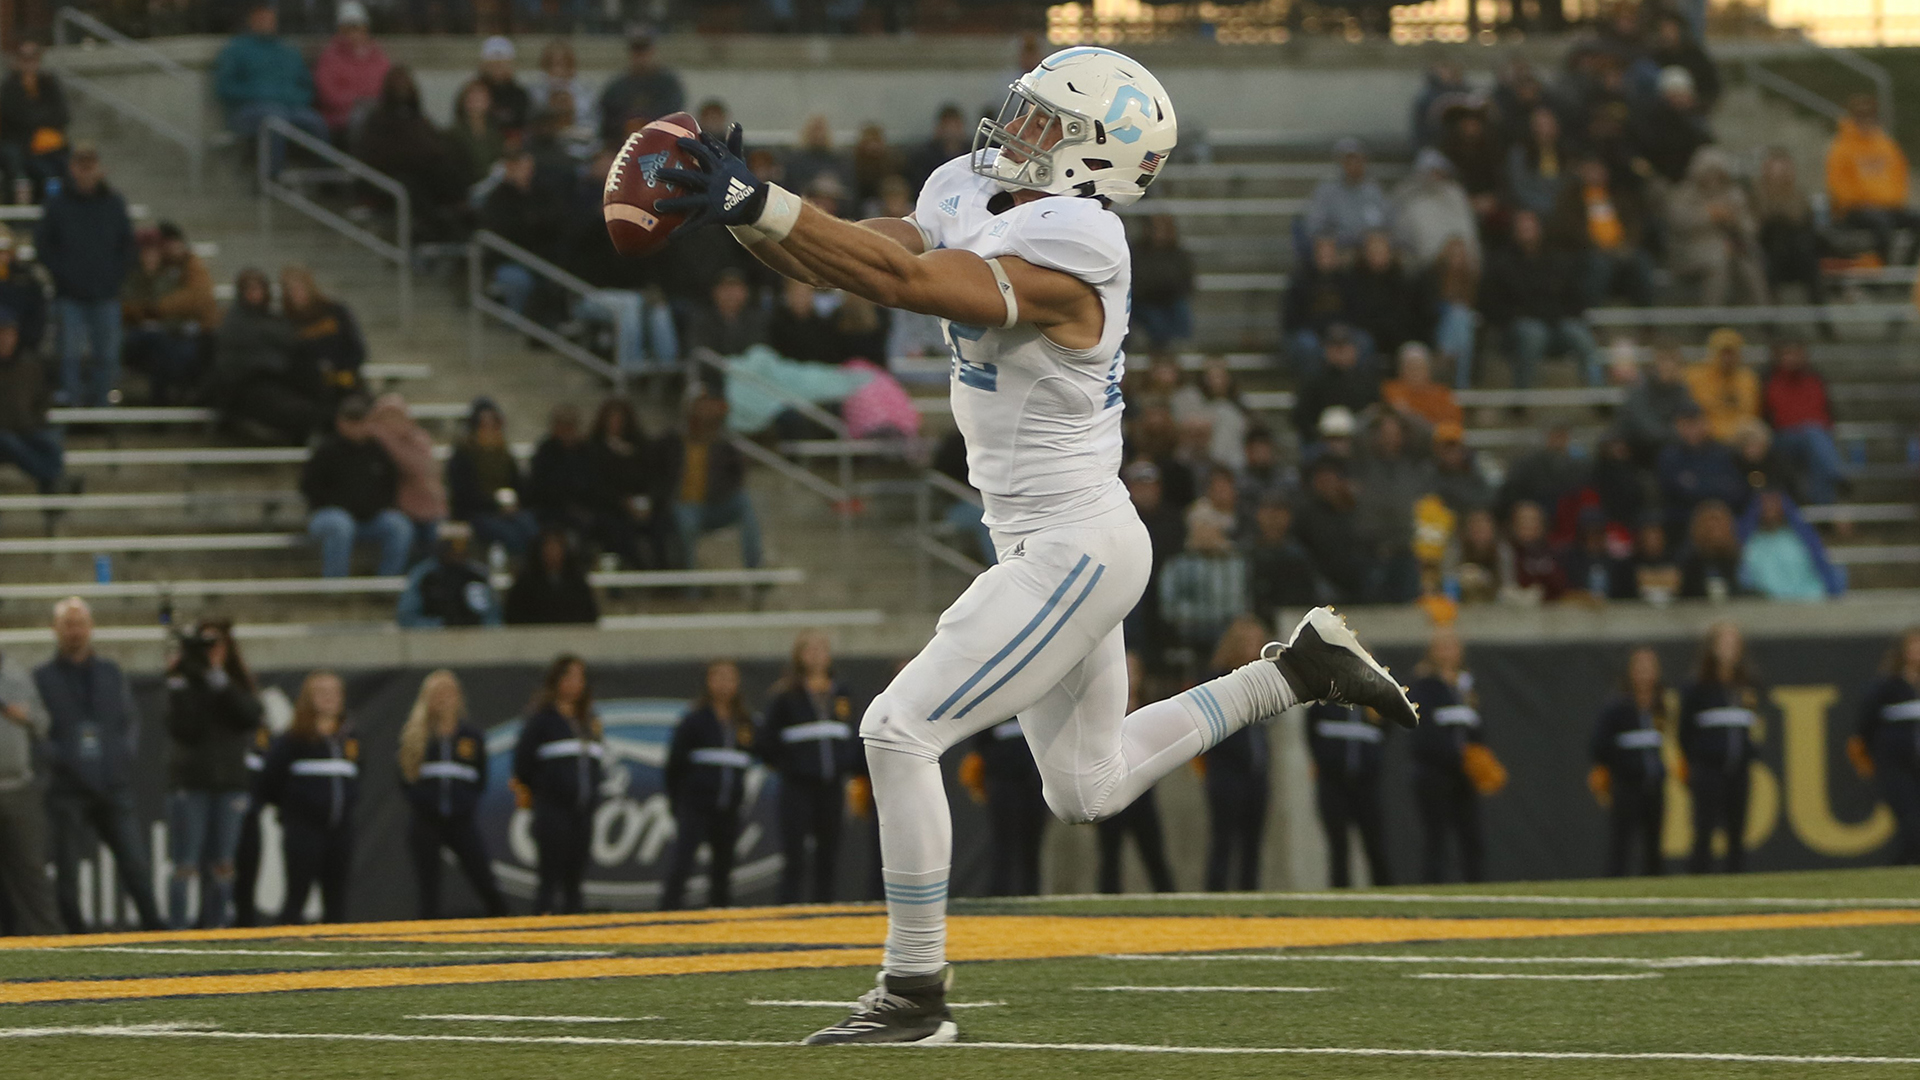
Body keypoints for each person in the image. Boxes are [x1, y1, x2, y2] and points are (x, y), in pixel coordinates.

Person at [662, 47, 1417, 1044]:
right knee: (1087, 788)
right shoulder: (980, 188)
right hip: (1053, 537)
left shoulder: (1084, 241)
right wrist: (746, 216)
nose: (1014, 131)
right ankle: (1296, 673)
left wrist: (761, 205)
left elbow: (907, 281)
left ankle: (914, 995)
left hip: (1075, 546)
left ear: (1098, 157)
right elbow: (859, 249)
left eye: (1046, 122)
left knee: (897, 731)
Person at [35, 598, 162, 932]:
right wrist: (62, 759)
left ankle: (155, 927)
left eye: (80, 623)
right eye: (68, 624)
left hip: (112, 783)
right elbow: (38, 730)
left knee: (135, 863)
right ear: (55, 629)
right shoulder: (42, 677)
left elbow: (129, 721)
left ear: (90, 628)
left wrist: (119, 758)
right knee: (68, 869)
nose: (75, 631)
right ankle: (75, 936)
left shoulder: (110, 672)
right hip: (66, 788)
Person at [163, 620, 262, 929]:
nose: (211, 652)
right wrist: (180, 681)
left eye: (217, 644)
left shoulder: (234, 682)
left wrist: (218, 678)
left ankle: (218, 931)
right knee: (185, 864)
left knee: (223, 864)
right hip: (191, 781)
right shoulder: (185, 683)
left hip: (230, 781)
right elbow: (183, 729)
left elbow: (250, 715)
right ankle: (177, 934)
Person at [758, 631, 859, 904]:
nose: (816, 655)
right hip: (798, 786)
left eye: (821, 649)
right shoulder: (785, 695)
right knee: (795, 853)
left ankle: (824, 909)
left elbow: (848, 735)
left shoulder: (841, 692)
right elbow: (767, 740)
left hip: (832, 785)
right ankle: (789, 907)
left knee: (828, 851)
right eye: (809, 650)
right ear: (799, 656)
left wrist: (847, 766)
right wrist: (791, 766)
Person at [397, 670, 506, 919]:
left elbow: (480, 778)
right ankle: (427, 939)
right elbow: (405, 778)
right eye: (438, 693)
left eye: (449, 692)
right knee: (429, 888)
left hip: (461, 821)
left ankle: (504, 926)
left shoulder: (471, 736)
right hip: (426, 821)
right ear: (426, 699)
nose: (444, 698)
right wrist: (426, 803)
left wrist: (464, 804)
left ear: (459, 697)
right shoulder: (416, 735)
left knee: (485, 879)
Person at [35, 145, 131, 408]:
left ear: (99, 168)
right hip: (70, 294)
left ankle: (102, 407)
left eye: (91, 165)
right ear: (72, 168)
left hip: (106, 293)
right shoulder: (57, 204)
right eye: (82, 165)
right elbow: (43, 246)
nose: (87, 171)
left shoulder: (114, 203)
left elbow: (126, 245)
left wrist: (114, 276)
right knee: (68, 355)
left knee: (107, 355)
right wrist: (63, 275)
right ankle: (72, 406)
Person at [259, 670, 358, 923]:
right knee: (297, 897)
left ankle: (340, 957)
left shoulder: (350, 740)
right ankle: (285, 955)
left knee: (337, 899)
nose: (329, 698)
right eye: (321, 693)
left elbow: (356, 780)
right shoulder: (293, 739)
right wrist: (295, 810)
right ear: (308, 698)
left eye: (334, 692)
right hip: (304, 831)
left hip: (340, 831)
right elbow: (270, 780)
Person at [1408, 628, 1503, 884]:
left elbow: (1476, 730)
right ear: (1432, 652)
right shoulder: (1424, 687)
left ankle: (1477, 891)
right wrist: (1455, 754)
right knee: (1436, 840)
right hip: (1434, 773)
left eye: (1453, 646)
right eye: (1442, 646)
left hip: (1464, 775)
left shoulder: (1465, 688)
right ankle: (1433, 893)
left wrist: (1478, 757)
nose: (1448, 652)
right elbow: (1421, 733)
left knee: (1472, 838)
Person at [661, 659, 755, 911]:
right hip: (696, 805)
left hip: (729, 806)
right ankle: (668, 913)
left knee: (723, 867)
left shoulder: (744, 721)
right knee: (683, 863)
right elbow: (674, 764)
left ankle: (719, 915)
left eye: (730, 678)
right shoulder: (695, 719)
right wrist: (677, 801)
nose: (724, 684)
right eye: (718, 677)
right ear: (708, 682)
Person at [511, 654, 601, 915]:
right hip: (553, 810)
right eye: (569, 677)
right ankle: (542, 936)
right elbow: (522, 764)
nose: (575, 683)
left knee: (575, 879)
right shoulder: (542, 720)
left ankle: (575, 938)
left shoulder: (588, 722)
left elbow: (596, 764)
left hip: (582, 811)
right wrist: (546, 791)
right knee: (549, 878)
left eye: (580, 678)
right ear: (556, 681)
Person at [1480, 210, 1599, 388]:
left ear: (1539, 229)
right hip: (1516, 330)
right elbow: (1493, 306)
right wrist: (1524, 316)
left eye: (1530, 227)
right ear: (1514, 231)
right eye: (1522, 228)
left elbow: (1573, 297)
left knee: (1580, 335)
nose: (1527, 231)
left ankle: (1599, 392)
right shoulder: (1501, 264)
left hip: (1555, 325)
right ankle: (1522, 395)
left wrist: (1560, 315)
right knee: (1533, 333)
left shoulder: (1557, 260)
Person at [1679, 622, 1761, 873]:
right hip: (1708, 769)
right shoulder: (1697, 687)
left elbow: (1751, 726)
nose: (1730, 649)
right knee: (1704, 830)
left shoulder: (1746, 684)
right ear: (1712, 648)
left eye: (1734, 643)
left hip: (1739, 768)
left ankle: (1736, 884)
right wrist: (1697, 761)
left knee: (1737, 832)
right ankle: (1698, 882)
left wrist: (1748, 752)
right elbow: (1683, 731)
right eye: (1724, 643)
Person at [303, 394, 412, 578]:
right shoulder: (326, 450)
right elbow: (309, 486)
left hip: (368, 519)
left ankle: (385, 585)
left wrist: (374, 507)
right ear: (340, 422)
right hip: (328, 516)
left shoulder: (377, 451)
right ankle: (335, 588)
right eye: (351, 420)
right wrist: (342, 505)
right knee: (341, 525)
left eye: (361, 420)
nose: (357, 427)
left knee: (399, 525)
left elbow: (389, 484)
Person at [211, 268, 323, 444]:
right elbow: (235, 360)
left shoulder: (275, 319)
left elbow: (290, 342)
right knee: (294, 410)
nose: (255, 294)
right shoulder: (234, 323)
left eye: (259, 289)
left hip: (279, 380)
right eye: (250, 289)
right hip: (249, 385)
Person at [1201, 618, 1273, 892]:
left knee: (1252, 845)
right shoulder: (1216, 681)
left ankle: (1249, 896)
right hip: (1227, 775)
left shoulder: (1262, 681)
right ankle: (1215, 896)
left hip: (1256, 773)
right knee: (1223, 842)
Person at [214, 2, 329, 172]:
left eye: (269, 18)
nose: (266, 22)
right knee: (275, 119)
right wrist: (261, 94)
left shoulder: (288, 51)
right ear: (251, 21)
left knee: (315, 122)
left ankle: (324, 178)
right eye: (261, 18)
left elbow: (307, 87)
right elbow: (225, 87)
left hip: (290, 108)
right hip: (248, 110)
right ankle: (271, 178)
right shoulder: (236, 50)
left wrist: (291, 97)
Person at [1096, 652, 1176, 894]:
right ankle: (1107, 907)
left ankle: (1169, 902)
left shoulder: (1148, 706)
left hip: (1142, 792)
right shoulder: (1102, 709)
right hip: (1112, 791)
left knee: (1154, 852)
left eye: (1133, 671)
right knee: (1110, 855)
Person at [1588, 647, 1668, 877]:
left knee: (1654, 846)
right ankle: (1614, 892)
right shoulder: (1617, 707)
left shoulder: (1658, 704)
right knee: (1621, 844)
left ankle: (1657, 893)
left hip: (1653, 784)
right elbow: (1598, 746)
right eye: (1640, 668)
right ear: (1630, 672)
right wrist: (1621, 767)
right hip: (1626, 786)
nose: (1645, 674)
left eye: (1650, 668)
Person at [120, 223, 217, 405]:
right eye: (145, 252)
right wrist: (146, 312)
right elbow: (125, 306)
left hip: (165, 336)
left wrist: (156, 310)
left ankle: (166, 399)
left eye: (154, 252)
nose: (150, 257)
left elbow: (185, 305)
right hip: (137, 336)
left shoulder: (170, 277)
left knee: (168, 350)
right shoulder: (131, 278)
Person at [663, 392, 762, 570]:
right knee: (686, 521)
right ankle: (691, 581)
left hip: (714, 504)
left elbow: (738, 475)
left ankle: (755, 569)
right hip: (684, 504)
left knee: (745, 503)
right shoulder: (673, 440)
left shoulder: (722, 443)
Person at [0, 643, 58, 935]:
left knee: (31, 874)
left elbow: (43, 722)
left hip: (17, 788)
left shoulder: (16, 673)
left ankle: (52, 949)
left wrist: (25, 715)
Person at [1851, 629, 1920, 865]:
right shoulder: (1887, 686)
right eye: (1914, 644)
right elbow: (1863, 729)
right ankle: (1899, 869)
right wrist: (1867, 761)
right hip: (1896, 767)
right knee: (1912, 825)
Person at [1547, 154, 1653, 308]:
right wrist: (1597, 246)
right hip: (1588, 250)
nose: (1595, 174)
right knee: (1598, 265)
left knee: (1642, 261)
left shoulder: (1619, 196)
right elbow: (1568, 227)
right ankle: (1592, 315)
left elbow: (1633, 224)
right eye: (1591, 170)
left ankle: (1647, 320)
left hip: (1621, 248)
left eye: (1599, 170)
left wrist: (1627, 244)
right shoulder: (1571, 198)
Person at [1825, 94, 1919, 265]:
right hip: (1855, 210)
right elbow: (1838, 186)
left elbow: (1900, 176)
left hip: (1889, 207)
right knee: (1881, 224)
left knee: (1916, 219)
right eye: (1860, 115)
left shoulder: (1886, 145)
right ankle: (1882, 273)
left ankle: (1904, 272)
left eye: (1870, 115)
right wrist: (1866, 200)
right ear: (1853, 117)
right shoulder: (1841, 147)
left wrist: (1893, 200)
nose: (1866, 120)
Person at [1668, 149, 1768, 307]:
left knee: (1750, 266)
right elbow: (1677, 223)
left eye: (1717, 172)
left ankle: (1762, 317)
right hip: (1690, 251)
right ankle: (1711, 319)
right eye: (1708, 172)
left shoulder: (1734, 194)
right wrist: (1709, 216)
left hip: (1734, 249)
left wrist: (1735, 220)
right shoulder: (1684, 194)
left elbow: (1751, 228)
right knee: (1718, 259)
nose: (1712, 177)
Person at [1307, 700, 1390, 887]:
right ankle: (1340, 896)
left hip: (1366, 784)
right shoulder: (1325, 698)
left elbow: (1386, 731)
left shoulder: (1373, 697)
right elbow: (1311, 733)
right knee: (1338, 846)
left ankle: (1386, 895)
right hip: (1333, 783)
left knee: (1375, 844)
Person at [446, 397, 539, 560]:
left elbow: (519, 483)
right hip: (478, 512)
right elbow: (463, 495)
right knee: (510, 536)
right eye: (484, 425)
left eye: (493, 425)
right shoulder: (463, 455)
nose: (489, 430)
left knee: (532, 529)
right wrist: (495, 505)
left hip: (508, 510)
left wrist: (514, 503)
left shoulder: (504, 454)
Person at [585, 397, 668, 570]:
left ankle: (663, 574)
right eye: (612, 419)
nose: (616, 424)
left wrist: (648, 502)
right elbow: (596, 485)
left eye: (619, 420)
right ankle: (638, 571)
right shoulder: (594, 448)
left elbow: (655, 478)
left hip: (644, 505)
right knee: (617, 529)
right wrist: (623, 502)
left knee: (661, 524)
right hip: (611, 506)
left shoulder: (642, 446)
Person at [1762, 338, 1843, 506]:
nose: (1791, 358)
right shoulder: (1769, 381)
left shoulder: (1815, 379)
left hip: (1816, 438)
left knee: (1817, 454)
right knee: (1815, 439)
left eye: (1795, 353)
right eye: (1787, 354)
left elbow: (1828, 413)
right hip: (1783, 439)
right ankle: (1837, 474)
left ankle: (1822, 507)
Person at [365, 392, 448, 549]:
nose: (391, 423)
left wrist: (385, 437)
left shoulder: (418, 439)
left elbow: (416, 468)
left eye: (396, 417)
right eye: (386, 417)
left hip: (429, 510)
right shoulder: (372, 444)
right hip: (397, 511)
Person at [0, 310, 68, 495]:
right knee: (8, 441)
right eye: (1, 334)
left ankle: (53, 483)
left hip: (27, 429)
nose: (5, 339)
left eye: (9, 334)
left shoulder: (29, 365)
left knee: (51, 443)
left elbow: (42, 399)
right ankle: (56, 480)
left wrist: (36, 422)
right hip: (4, 434)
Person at [1657, 404, 1745, 540]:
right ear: (1677, 426)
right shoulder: (1670, 456)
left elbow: (1735, 489)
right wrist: (1715, 486)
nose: (1692, 430)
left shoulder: (1723, 452)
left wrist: (1697, 486)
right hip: (1683, 522)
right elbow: (1676, 491)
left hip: (1724, 519)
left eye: (1696, 423)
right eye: (1686, 424)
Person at [1752, 149, 1825, 304]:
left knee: (1807, 255)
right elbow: (1762, 219)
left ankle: (1823, 320)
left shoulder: (1797, 193)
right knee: (1779, 229)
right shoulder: (1758, 192)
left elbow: (1802, 217)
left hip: (1798, 253)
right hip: (1771, 250)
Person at [281, 265, 364, 399]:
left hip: (344, 381)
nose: (297, 294)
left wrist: (341, 371)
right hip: (310, 389)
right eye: (291, 290)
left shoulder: (335, 311)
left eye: (300, 288)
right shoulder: (287, 321)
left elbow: (355, 347)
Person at [397, 521, 501, 628]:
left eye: (462, 545)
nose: (456, 551)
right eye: (450, 545)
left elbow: (493, 617)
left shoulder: (479, 575)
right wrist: (442, 626)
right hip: (434, 638)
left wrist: (477, 628)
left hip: (477, 637)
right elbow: (407, 618)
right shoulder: (424, 574)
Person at [0, 41, 69, 202]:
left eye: (33, 58)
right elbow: (17, 116)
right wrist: (44, 119)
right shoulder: (9, 87)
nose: (30, 63)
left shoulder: (48, 83)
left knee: (68, 169)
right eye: (25, 59)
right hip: (22, 146)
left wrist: (38, 119)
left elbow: (62, 115)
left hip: (52, 147)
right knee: (40, 174)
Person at [1391, 147, 1479, 271]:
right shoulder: (1408, 199)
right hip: (1424, 267)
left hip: (1459, 260)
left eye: (1438, 171)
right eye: (1430, 171)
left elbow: (1468, 232)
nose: (1434, 177)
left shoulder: (1456, 195)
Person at [312, 1, 388, 141]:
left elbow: (387, 86)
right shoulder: (330, 58)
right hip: (342, 116)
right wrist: (358, 102)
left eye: (358, 28)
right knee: (362, 120)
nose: (355, 34)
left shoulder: (378, 57)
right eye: (349, 29)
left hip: (376, 112)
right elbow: (328, 94)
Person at [1343, 230, 1424, 359]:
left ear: (1390, 253)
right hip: (1365, 334)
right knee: (1361, 342)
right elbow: (1354, 313)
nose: (1377, 256)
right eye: (1373, 251)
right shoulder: (1354, 279)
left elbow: (1406, 315)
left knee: (1413, 350)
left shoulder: (1402, 280)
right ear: (1365, 254)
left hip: (1396, 335)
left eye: (1381, 251)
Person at [1739, 489, 1830, 601]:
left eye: (1774, 503)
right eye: (1765, 504)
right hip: (1765, 605)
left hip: (1807, 600)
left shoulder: (1799, 539)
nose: (1770, 508)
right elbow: (1746, 578)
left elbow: (1817, 570)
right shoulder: (1752, 543)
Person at [597, 31, 683, 146]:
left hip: (662, 141)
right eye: (636, 52)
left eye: (644, 51)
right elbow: (607, 119)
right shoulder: (617, 86)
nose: (641, 57)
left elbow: (673, 114)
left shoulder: (668, 84)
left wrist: (645, 123)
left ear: (652, 52)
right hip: (622, 144)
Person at [505, 527, 599, 625]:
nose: (553, 552)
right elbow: (513, 616)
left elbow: (589, 615)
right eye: (548, 547)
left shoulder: (577, 583)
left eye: (557, 547)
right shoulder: (525, 583)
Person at [1130, 214, 1194, 350]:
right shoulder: (1137, 252)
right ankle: (1161, 351)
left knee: (1182, 312)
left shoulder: (1178, 253)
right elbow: (1137, 280)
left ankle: (1181, 349)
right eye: (1156, 228)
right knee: (1155, 319)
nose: (1159, 232)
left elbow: (1186, 280)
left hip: (1171, 299)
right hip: (1145, 301)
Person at [1685, 328, 1759, 444]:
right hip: (1706, 432)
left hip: (1740, 434)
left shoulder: (1747, 379)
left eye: (1731, 353)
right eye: (1723, 353)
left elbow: (1751, 413)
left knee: (1757, 433)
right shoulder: (1695, 376)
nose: (1727, 358)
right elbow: (1693, 411)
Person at [1380, 342, 1461, 429]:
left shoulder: (1442, 394)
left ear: (1428, 370)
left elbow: (1452, 424)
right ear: (1400, 370)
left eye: (1419, 368)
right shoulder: (1391, 389)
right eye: (1410, 368)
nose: (1415, 373)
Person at [469, 36, 531, 135]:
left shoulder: (520, 95)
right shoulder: (472, 94)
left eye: (502, 63)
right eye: (493, 64)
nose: (497, 68)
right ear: (483, 65)